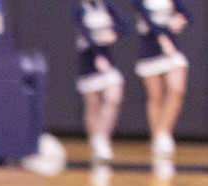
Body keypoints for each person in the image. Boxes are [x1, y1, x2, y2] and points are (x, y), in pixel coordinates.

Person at [76, 2, 129, 163]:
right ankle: (95, 143)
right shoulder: (79, 8)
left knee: (114, 97)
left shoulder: (106, 6)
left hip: (107, 61)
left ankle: (102, 138)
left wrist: (113, 33)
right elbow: (85, 33)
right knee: (93, 106)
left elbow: (125, 25)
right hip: (89, 59)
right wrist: (97, 56)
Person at [135, 0, 189, 158]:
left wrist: (180, 19)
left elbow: (186, 12)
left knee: (177, 89)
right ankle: (157, 139)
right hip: (150, 49)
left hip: (172, 49)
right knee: (155, 96)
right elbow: (148, 19)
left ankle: (163, 133)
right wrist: (162, 38)